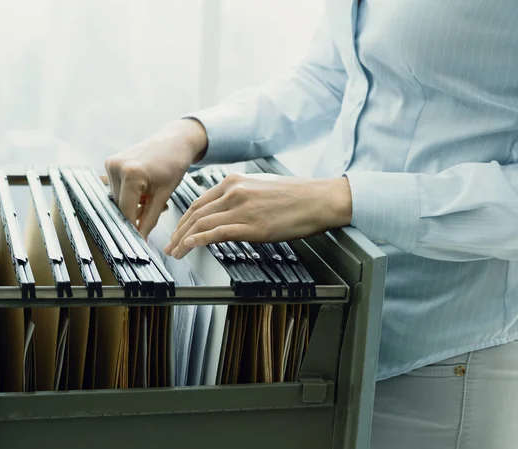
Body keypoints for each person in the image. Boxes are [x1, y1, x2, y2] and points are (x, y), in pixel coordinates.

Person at [105, 1, 518, 447]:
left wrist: (339, 197)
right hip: (332, 316)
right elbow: (332, 77)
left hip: (439, 358)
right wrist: (191, 134)